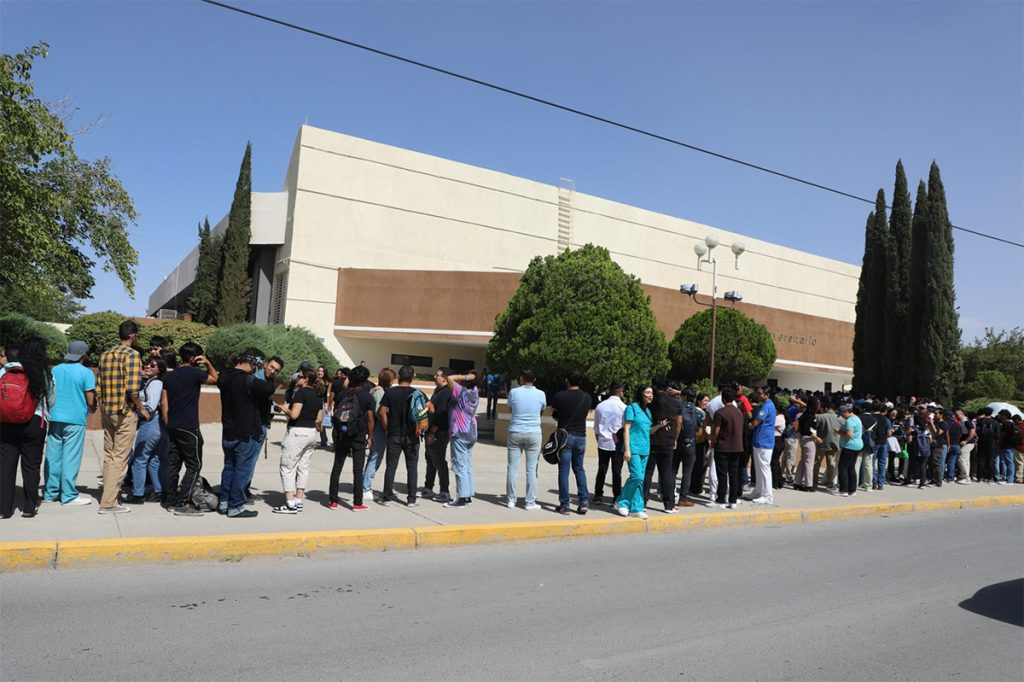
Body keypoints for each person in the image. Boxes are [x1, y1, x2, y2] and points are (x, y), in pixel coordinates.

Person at [160, 341, 218, 515]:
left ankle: (169, 499)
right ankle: (183, 502)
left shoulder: (169, 376)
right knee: (194, 465)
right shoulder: (195, 374)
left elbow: (164, 403)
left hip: (173, 425)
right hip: (189, 427)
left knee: (173, 464)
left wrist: (168, 423)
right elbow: (215, 378)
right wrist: (207, 363)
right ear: (194, 358)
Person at [217, 348, 275, 518]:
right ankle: (235, 506)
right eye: (258, 365)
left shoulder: (225, 377)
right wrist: (269, 376)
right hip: (245, 433)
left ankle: (224, 503)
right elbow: (268, 389)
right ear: (253, 362)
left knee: (229, 467)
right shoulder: (247, 380)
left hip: (228, 431)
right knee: (242, 470)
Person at [0, 339, 54, 518]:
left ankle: (4, 509)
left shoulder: (4, 371)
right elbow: (51, 399)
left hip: (6, 423)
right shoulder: (41, 372)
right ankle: (29, 507)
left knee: (6, 466)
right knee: (31, 466)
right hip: (34, 422)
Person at [96, 320, 144, 514]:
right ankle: (108, 502)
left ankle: (108, 495)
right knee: (120, 458)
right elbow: (133, 389)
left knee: (109, 455)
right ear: (132, 335)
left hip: (108, 411)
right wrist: (141, 408)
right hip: (125, 412)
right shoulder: (132, 355)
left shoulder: (105, 354)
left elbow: (99, 386)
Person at [43, 340, 96, 506]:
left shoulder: (56, 369)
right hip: (75, 419)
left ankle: (50, 492)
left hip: (55, 416)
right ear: (83, 355)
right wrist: (93, 407)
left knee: (53, 456)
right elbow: (90, 398)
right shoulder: (86, 373)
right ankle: (69, 495)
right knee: (71, 457)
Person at [274, 368, 323, 513]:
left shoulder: (300, 393)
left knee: (287, 467)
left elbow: (294, 415)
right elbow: (319, 419)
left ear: (306, 379)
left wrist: (284, 408)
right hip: (311, 433)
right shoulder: (318, 395)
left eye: (300, 376)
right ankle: (298, 499)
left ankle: (290, 503)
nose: (297, 378)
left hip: (297, 433)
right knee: (303, 467)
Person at [328, 364, 375, 511]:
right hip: (358, 435)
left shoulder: (343, 394)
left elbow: (337, 413)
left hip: (342, 434)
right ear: (364, 380)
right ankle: (357, 502)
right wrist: (370, 436)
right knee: (357, 469)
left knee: (337, 466)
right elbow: (370, 418)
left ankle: (333, 501)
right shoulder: (367, 396)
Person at [617, 385, 664, 519]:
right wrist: (627, 449)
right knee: (636, 476)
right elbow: (626, 429)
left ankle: (636, 508)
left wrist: (658, 426)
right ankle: (622, 502)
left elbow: (647, 431)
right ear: (640, 393)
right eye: (648, 392)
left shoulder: (648, 411)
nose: (651, 395)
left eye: (652, 393)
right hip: (633, 448)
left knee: (640, 479)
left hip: (645, 449)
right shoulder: (631, 408)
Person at [126, 355, 167, 504]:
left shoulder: (155, 384)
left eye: (153, 366)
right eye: (147, 364)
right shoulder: (151, 382)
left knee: (139, 459)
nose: (148, 367)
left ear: (159, 370)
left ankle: (137, 494)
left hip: (150, 423)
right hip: (157, 424)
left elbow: (152, 405)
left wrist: (139, 407)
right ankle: (159, 491)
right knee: (154, 460)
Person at [550, 369, 592, 515]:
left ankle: (565, 505)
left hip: (565, 437)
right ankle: (584, 502)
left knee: (563, 471)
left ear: (567, 380)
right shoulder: (587, 397)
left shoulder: (560, 396)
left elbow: (554, 413)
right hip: (581, 437)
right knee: (579, 469)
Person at [378, 365, 421, 507]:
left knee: (391, 466)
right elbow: (430, 408)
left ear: (398, 377)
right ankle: (411, 499)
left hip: (394, 434)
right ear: (412, 378)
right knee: (412, 467)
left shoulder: (391, 392)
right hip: (412, 436)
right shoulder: (417, 393)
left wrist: (387, 429)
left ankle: (386, 496)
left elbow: (382, 412)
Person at [506, 368, 546, 510]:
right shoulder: (541, 394)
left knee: (512, 468)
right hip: (534, 432)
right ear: (534, 380)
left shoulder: (514, 392)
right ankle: (530, 502)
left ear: (522, 379)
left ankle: (511, 500)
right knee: (532, 469)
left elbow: (511, 410)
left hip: (515, 431)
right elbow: (541, 412)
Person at [644, 376, 681, 513]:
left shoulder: (650, 401)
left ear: (653, 385)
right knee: (666, 473)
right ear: (667, 388)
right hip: (668, 439)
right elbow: (679, 422)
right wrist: (675, 438)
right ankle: (669, 505)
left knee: (648, 472)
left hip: (651, 438)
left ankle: (642, 502)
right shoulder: (675, 403)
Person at [444, 370, 479, 508]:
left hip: (460, 431)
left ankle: (461, 498)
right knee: (467, 464)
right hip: (471, 431)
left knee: (459, 465)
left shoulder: (461, 392)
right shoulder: (475, 392)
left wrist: (466, 376)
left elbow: (449, 378)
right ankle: (468, 494)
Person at [710, 386, 745, 509]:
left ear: (723, 399)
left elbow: (716, 431)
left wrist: (712, 442)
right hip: (737, 447)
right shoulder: (739, 412)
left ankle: (721, 500)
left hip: (723, 446)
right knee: (733, 474)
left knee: (722, 474)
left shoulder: (720, 413)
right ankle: (733, 500)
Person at [362, 367, 394, 500]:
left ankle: (365, 485)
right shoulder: (380, 393)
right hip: (379, 429)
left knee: (374, 457)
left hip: (374, 428)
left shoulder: (374, 390)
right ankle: (366, 487)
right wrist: (387, 429)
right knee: (375, 457)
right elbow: (380, 413)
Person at [593, 382, 626, 506]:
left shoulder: (600, 406)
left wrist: (599, 439)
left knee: (602, 469)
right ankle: (616, 496)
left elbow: (596, 428)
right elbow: (625, 428)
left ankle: (598, 495)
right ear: (619, 391)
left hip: (603, 442)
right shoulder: (624, 407)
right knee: (617, 471)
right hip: (617, 444)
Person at [422, 367, 452, 503]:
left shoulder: (445, 393)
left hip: (439, 433)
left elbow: (442, 415)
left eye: (438, 375)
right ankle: (428, 487)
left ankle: (444, 491)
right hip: (432, 432)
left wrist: (432, 432)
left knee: (439, 461)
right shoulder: (438, 391)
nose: (435, 377)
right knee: (431, 460)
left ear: (445, 378)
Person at [673, 389, 703, 507]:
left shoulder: (678, 409)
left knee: (672, 470)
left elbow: (677, 423)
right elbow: (700, 431)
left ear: (684, 397)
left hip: (677, 443)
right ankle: (683, 498)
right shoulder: (699, 412)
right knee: (687, 472)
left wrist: (676, 438)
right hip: (690, 444)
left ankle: (669, 494)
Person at [746, 385, 776, 504]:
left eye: (761, 393)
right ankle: (758, 491)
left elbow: (758, 420)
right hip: (760, 440)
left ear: (767, 395)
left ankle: (768, 495)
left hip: (764, 441)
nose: (759, 395)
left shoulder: (767, 406)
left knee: (764, 469)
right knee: (759, 468)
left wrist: (751, 425)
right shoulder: (766, 405)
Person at [793, 396, 820, 491]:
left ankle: (797, 482)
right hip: (809, 439)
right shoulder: (811, 415)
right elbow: (807, 430)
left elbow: (801, 424)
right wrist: (817, 438)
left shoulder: (805, 413)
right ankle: (808, 484)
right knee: (809, 462)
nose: (819, 405)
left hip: (803, 439)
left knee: (803, 461)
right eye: (818, 403)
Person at [836, 404, 862, 497]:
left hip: (849, 446)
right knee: (851, 468)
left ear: (846, 412)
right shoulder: (857, 418)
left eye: (842, 414)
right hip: (857, 445)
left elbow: (849, 434)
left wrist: (839, 432)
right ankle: (852, 490)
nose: (842, 416)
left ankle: (844, 490)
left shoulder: (850, 421)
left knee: (843, 467)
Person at [814, 403, 841, 490]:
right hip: (834, 443)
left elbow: (815, 428)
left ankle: (814, 481)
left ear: (825, 408)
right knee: (831, 464)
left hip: (821, 443)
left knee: (817, 463)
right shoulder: (839, 418)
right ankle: (830, 482)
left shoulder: (819, 417)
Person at [871, 403, 893, 490]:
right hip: (883, 442)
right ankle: (881, 483)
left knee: (872, 462)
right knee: (882, 463)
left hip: (874, 442)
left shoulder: (872, 418)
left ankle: (873, 481)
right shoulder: (886, 419)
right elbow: (889, 433)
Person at [314, 365, 332, 450]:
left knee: (321, 422)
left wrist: (326, 404)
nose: (320, 372)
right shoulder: (313, 380)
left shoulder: (327, 382)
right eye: (319, 370)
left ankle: (324, 440)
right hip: (312, 400)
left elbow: (326, 395)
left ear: (324, 373)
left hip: (320, 402)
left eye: (322, 371)